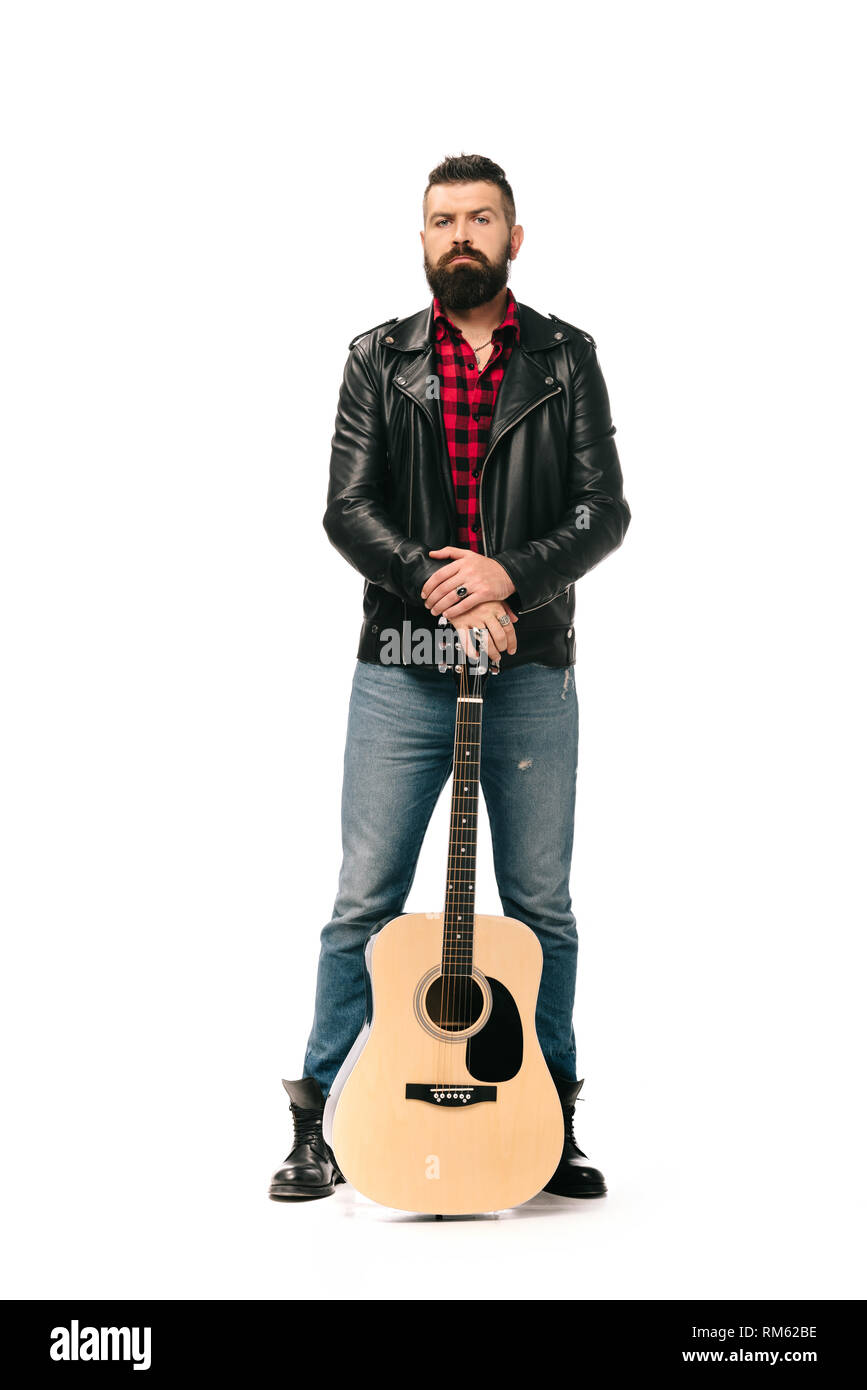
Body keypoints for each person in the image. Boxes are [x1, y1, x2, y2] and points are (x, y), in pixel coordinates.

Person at [269, 153, 630, 1203]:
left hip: (529, 664)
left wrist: (508, 577)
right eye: (442, 221)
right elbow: (349, 507)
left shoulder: (566, 359)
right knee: (364, 901)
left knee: (541, 908)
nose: (459, 235)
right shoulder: (378, 358)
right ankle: (322, 1123)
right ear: (421, 238)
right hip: (403, 664)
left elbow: (602, 510)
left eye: (481, 219)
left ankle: (546, 1118)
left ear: (515, 239)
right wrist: (442, 583)